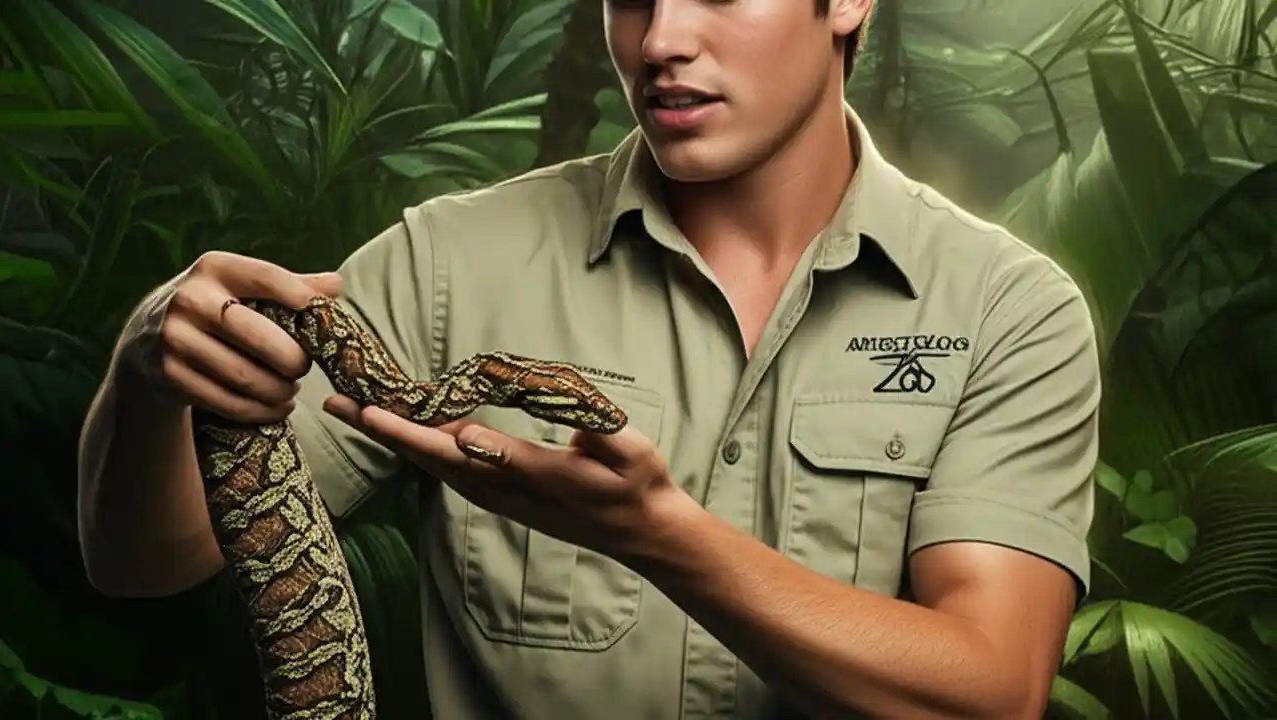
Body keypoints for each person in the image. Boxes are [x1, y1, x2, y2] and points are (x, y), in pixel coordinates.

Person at [77, 0, 1101, 717]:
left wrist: (660, 540)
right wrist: (146, 373)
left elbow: (987, 694)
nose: (659, 40)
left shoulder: (1006, 309)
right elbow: (146, 564)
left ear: (843, 2)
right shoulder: (446, 263)